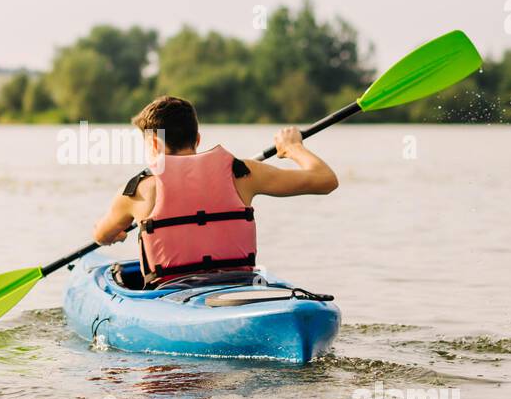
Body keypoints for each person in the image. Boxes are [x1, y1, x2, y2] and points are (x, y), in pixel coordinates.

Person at [92, 95, 339, 287]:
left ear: (154, 143)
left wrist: (116, 233)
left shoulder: (139, 190)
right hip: (238, 285)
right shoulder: (242, 172)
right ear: (197, 139)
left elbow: (101, 236)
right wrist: (293, 148)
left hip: (172, 295)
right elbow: (325, 180)